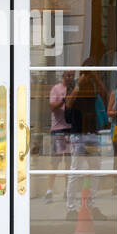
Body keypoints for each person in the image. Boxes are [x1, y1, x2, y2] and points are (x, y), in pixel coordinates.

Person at [65, 58, 111, 216]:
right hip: (78, 133)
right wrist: (79, 84)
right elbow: (68, 105)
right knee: (75, 171)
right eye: (88, 70)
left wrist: (96, 78)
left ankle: (91, 204)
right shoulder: (76, 84)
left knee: (96, 169)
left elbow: (105, 95)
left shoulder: (94, 85)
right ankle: (71, 207)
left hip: (91, 133)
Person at [45, 70, 74, 203]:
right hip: (58, 130)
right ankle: (49, 191)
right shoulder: (56, 89)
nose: (70, 78)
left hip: (70, 129)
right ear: (63, 76)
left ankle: (67, 190)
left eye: (72, 75)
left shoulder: (74, 89)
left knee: (68, 162)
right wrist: (64, 100)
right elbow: (52, 106)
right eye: (68, 75)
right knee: (55, 161)